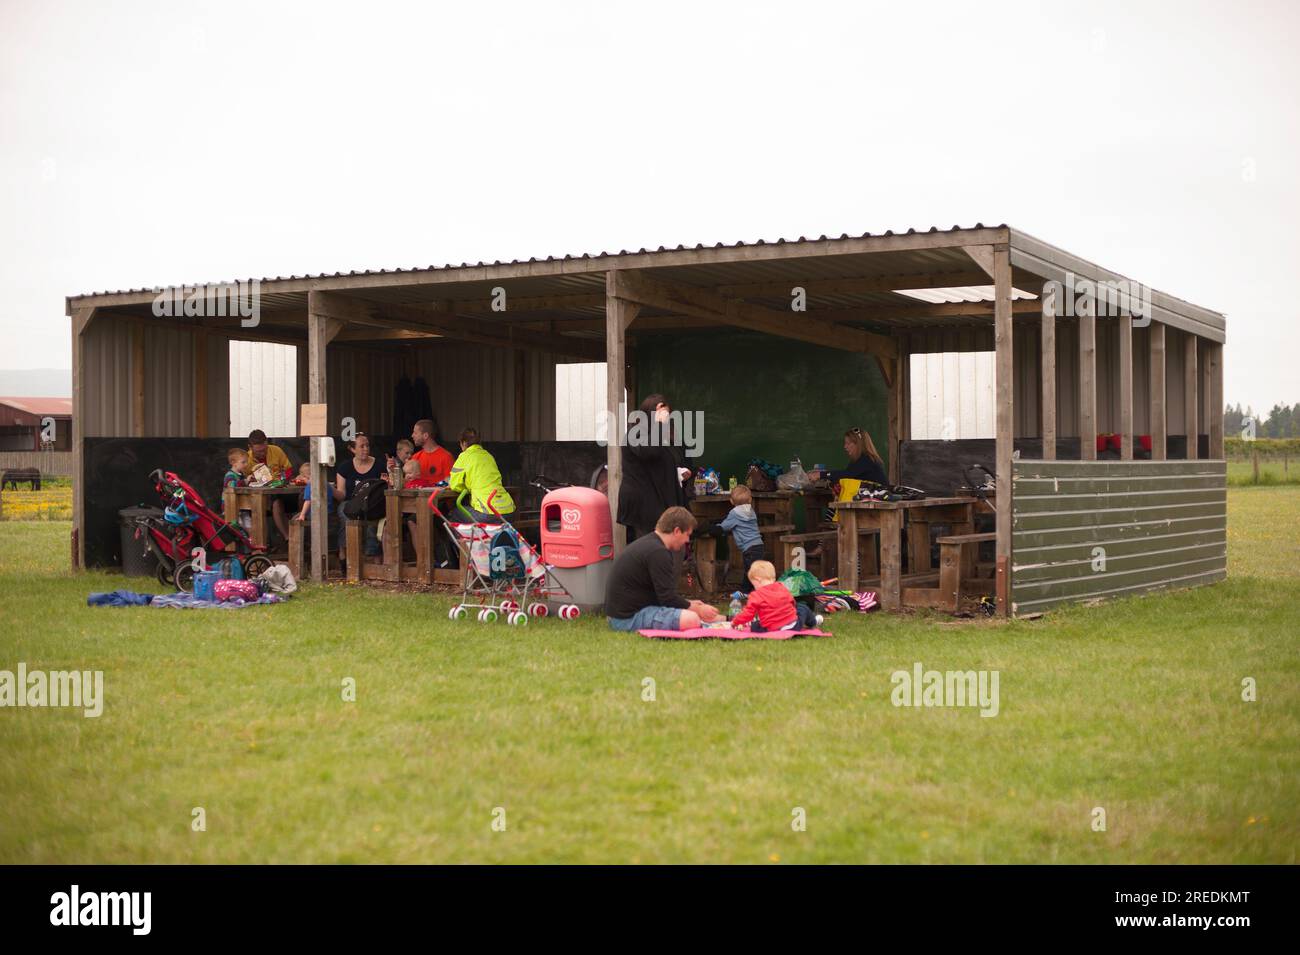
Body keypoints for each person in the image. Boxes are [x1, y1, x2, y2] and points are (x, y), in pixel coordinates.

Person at [606, 506, 720, 632]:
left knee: (691, 611)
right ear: (677, 531)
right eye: (687, 535)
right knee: (691, 619)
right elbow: (667, 598)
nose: (687, 540)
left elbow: (663, 595)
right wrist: (696, 609)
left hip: (624, 615)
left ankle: (726, 619)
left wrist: (690, 604)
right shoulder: (658, 552)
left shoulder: (651, 544)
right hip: (627, 620)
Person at [618, 394, 687, 541]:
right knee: (649, 547)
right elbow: (649, 451)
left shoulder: (661, 434)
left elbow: (665, 461)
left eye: (667, 415)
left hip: (659, 500)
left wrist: (678, 471)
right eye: (661, 415)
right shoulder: (636, 432)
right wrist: (660, 425)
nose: (665, 419)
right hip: (643, 503)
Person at [333, 432, 386, 563]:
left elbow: (384, 487)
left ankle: (373, 558)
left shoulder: (379, 465)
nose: (366, 449)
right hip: (351, 503)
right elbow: (342, 495)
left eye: (367, 446)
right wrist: (328, 489)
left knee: (374, 518)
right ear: (352, 449)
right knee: (345, 512)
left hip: (373, 503)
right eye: (361, 446)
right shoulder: (345, 467)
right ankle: (346, 553)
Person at [730, 560, 820, 633]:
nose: (754, 587)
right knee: (803, 608)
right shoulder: (782, 587)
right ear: (773, 578)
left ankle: (773, 626)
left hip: (771, 628)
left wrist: (735, 621)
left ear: (758, 580)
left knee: (755, 626)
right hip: (793, 626)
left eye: (753, 584)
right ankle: (813, 621)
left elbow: (747, 614)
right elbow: (792, 602)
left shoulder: (756, 595)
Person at [447, 428, 514, 521]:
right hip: (508, 510)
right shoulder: (488, 456)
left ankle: (468, 536)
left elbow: (454, 485)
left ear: (464, 443)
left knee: (454, 513)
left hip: (486, 511)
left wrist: (467, 487)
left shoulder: (464, 456)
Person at [717, 483, 765, 593]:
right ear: (750, 499)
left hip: (749, 548)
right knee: (755, 571)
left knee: (750, 571)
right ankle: (755, 591)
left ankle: (745, 592)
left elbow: (724, 526)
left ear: (731, 501)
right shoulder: (751, 511)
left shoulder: (734, 513)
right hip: (759, 545)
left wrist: (712, 528)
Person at [247, 429, 293, 541]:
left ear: (266, 443)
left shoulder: (276, 450)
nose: (262, 454)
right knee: (271, 504)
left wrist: (283, 479)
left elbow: (288, 469)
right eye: (258, 452)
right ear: (250, 447)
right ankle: (267, 542)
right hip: (258, 496)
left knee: (278, 503)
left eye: (264, 450)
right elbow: (243, 479)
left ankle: (290, 538)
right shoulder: (246, 459)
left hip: (280, 491)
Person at [807, 427, 889, 487]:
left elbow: (847, 475)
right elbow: (846, 478)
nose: (845, 447)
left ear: (859, 444)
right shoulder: (856, 461)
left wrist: (821, 474)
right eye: (845, 443)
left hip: (878, 503)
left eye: (848, 443)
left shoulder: (867, 459)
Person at [410, 419, 454, 485]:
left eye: (415, 433)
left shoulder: (446, 457)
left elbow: (450, 483)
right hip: (419, 495)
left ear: (425, 436)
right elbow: (408, 483)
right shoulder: (415, 457)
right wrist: (392, 471)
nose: (412, 435)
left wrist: (435, 485)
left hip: (438, 495)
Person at [223, 448, 252, 531]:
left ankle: (250, 543)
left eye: (246, 462)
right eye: (243, 462)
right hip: (232, 508)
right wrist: (245, 481)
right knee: (237, 529)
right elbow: (231, 486)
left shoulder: (241, 475)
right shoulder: (230, 475)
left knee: (250, 527)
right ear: (233, 463)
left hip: (243, 508)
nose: (246, 464)